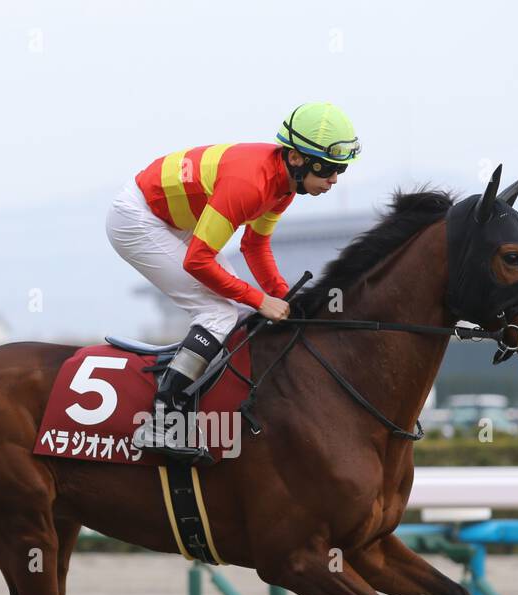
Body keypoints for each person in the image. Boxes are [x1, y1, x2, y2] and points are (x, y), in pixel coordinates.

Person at [106, 102, 362, 461]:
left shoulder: (285, 185)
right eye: (330, 168)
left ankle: (204, 403)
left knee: (236, 311)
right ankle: (162, 420)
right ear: (296, 158)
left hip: (174, 220)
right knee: (219, 313)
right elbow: (198, 261)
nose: (335, 180)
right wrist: (260, 300)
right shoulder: (251, 184)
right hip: (137, 219)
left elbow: (254, 245)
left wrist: (284, 296)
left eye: (341, 169)